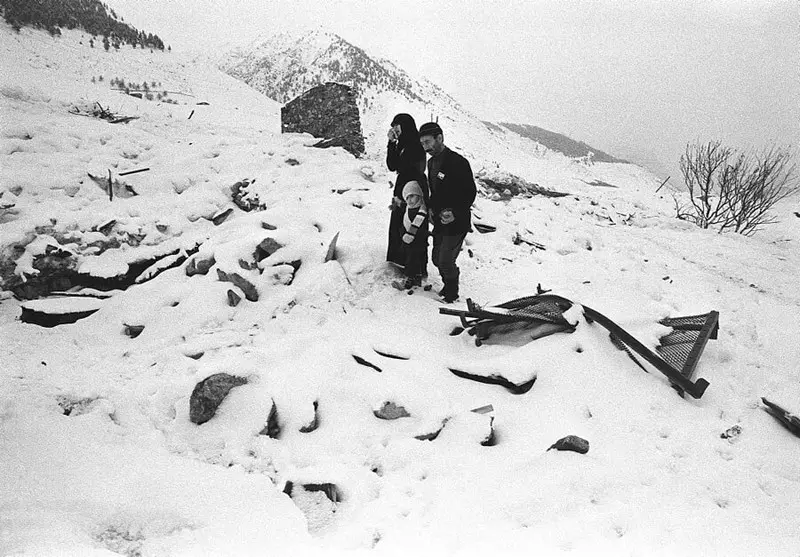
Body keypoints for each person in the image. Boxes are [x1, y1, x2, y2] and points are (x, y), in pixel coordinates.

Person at [418, 122, 476, 303]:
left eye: (428, 142)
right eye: (423, 144)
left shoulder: (458, 162)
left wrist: (455, 213)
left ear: (440, 138)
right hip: (439, 221)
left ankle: (452, 292)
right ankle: (449, 282)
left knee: (445, 260)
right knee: (436, 258)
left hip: (457, 222)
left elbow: (470, 193)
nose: (425, 147)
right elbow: (435, 191)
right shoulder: (432, 162)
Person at [386, 113, 427, 269]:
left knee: (410, 223)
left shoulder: (416, 145)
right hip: (402, 186)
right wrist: (391, 143)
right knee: (398, 221)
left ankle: (413, 266)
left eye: (397, 127)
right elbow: (392, 165)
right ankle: (399, 259)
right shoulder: (402, 143)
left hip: (412, 189)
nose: (395, 130)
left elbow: (408, 168)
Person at [393, 180, 429, 290]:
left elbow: (416, 224)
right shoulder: (410, 207)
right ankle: (415, 277)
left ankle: (410, 279)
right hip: (410, 241)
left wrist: (409, 235)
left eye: (412, 196)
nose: (410, 200)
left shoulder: (421, 211)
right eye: (407, 198)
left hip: (418, 241)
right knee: (410, 258)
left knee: (414, 259)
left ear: (419, 195)